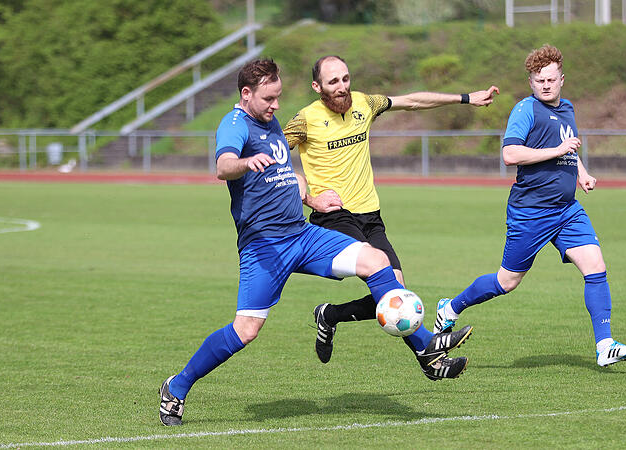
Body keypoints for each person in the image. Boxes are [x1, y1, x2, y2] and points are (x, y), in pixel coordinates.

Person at [158, 59, 473, 426]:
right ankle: (176, 388)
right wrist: (246, 163)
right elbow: (223, 166)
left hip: (302, 234)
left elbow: (283, 170)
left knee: (376, 261)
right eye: (268, 98)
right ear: (246, 95)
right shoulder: (234, 125)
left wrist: (311, 200)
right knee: (246, 330)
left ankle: (426, 348)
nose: (276, 105)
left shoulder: (269, 121)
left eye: (277, 97)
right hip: (265, 248)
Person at [282, 55, 499, 380]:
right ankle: (431, 353)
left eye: (345, 78)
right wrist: (309, 197)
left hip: (370, 215)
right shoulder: (305, 120)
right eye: (333, 82)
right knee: (391, 290)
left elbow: (411, 101)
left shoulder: (364, 104)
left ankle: (331, 314)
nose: (342, 87)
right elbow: (270, 160)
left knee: (395, 289)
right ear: (317, 87)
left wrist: (466, 98)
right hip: (334, 217)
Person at [432, 45, 626, 367]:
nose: (545, 85)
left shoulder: (567, 108)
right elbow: (510, 155)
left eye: (551, 79)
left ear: (562, 80)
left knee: (596, 267)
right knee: (507, 282)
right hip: (531, 211)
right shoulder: (525, 110)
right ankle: (450, 308)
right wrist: (558, 151)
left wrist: (582, 173)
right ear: (531, 81)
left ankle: (605, 345)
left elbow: (568, 146)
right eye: (539, 80)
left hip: (567, 209)